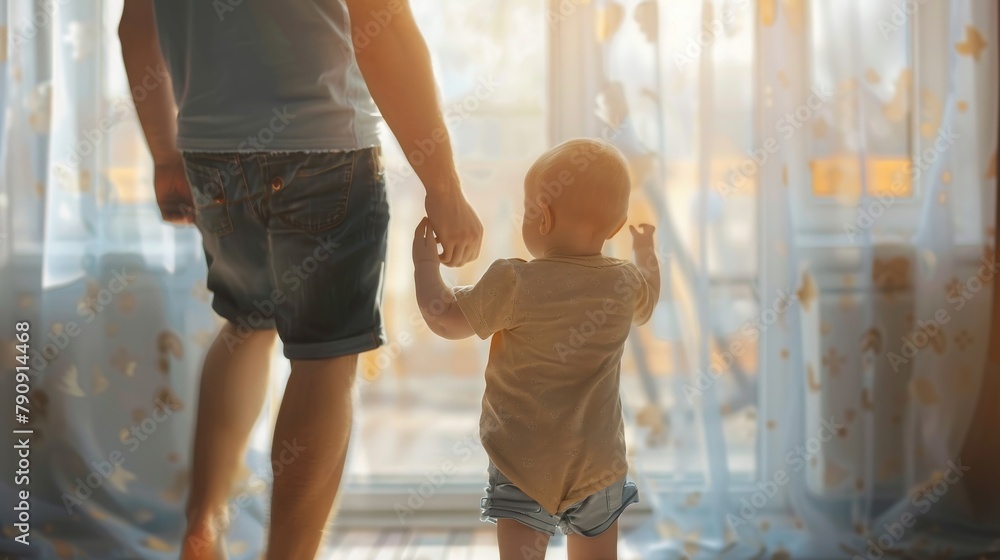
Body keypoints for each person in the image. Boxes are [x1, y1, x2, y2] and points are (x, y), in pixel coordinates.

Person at [118, 1, 483, 558]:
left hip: (209, 153)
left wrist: (165, 154)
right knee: (324, 359)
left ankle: (203, 525)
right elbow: (381, 25)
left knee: (245, 325)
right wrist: (444, 185)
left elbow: (136, 26)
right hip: (325, 148)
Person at [412, 138, 660, 560]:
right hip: (598, 463)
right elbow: (649, 297)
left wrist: (425, 267)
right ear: (615, 228)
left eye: (527, 208)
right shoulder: (624, 283)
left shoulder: (515, 282)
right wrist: (644, 253)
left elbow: (445, 319)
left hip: (523, 461)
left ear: (541, 218)